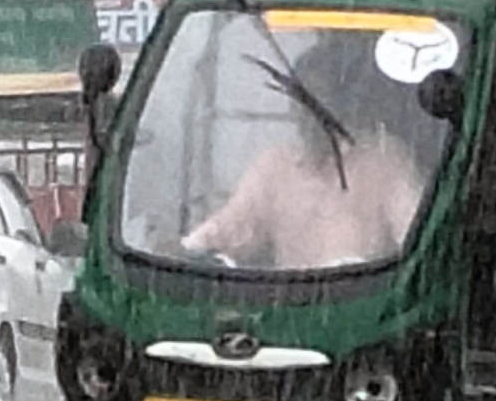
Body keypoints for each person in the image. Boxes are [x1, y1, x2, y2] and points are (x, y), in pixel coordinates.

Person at [182, 42, 435, 271]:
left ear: (343, 103)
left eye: (319, 100)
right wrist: (185, 250)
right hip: (289, 309)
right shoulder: (275, 167)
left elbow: (420, 244)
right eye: (300, 100)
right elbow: (230, 229)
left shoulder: (386, 162)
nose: (310, 113)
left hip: (364, 305)